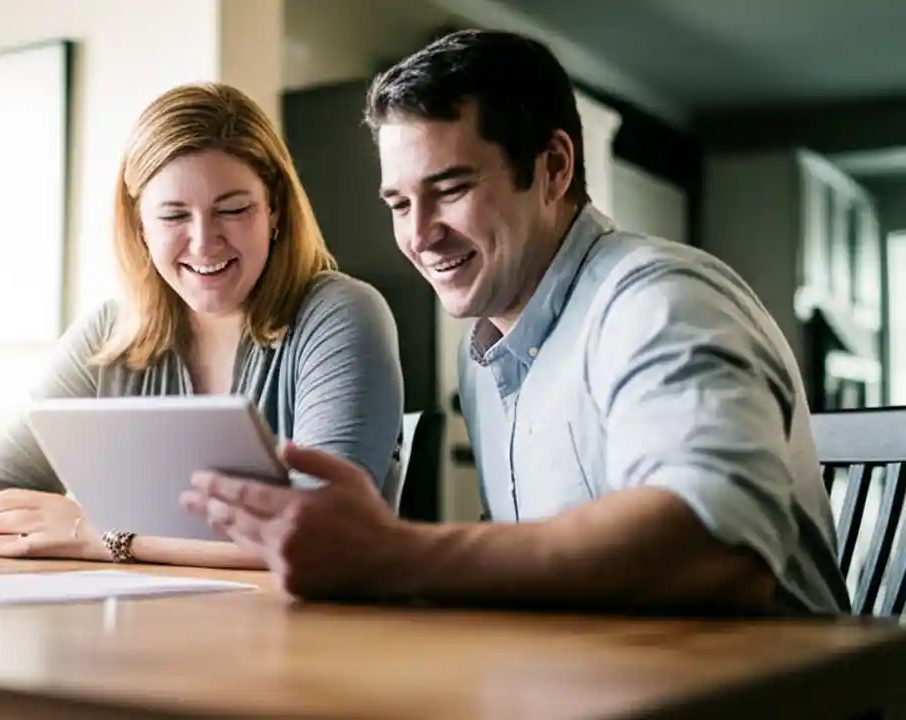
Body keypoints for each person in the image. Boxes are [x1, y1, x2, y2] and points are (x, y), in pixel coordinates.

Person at [181, 30, 850, 614]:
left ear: (553, 166)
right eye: (399, 202)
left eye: (451, 189)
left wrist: (392, 553)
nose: (421, 235)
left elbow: (716, 551)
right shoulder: (490, 351)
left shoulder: (657, 301)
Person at [0, 82, 404, 569]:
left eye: (233, 210)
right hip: (148, 633)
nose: (204, 243)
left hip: (304, 638)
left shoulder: (339, 313)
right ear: (140, 225)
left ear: (273, 208)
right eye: (172, 216)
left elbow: (318, 532)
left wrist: (102, 536)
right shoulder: (110, 332)